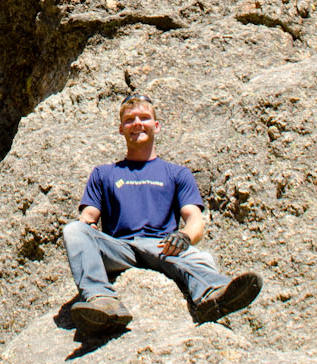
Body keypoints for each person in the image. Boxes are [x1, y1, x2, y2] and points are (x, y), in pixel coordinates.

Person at [61, 93, 263, 334]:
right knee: (73, 230)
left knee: (200, 258)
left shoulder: (177, 174)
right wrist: (87, 226)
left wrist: (185, 237)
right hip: (119, 248)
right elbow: (88, 216)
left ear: (156, 126)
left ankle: (214, 297)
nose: (137, 123)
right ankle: (102, 301)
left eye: (144, 118)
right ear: (121, 129)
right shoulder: (103, 174)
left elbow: (194, 219)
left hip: (161, 247)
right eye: (129, 120)